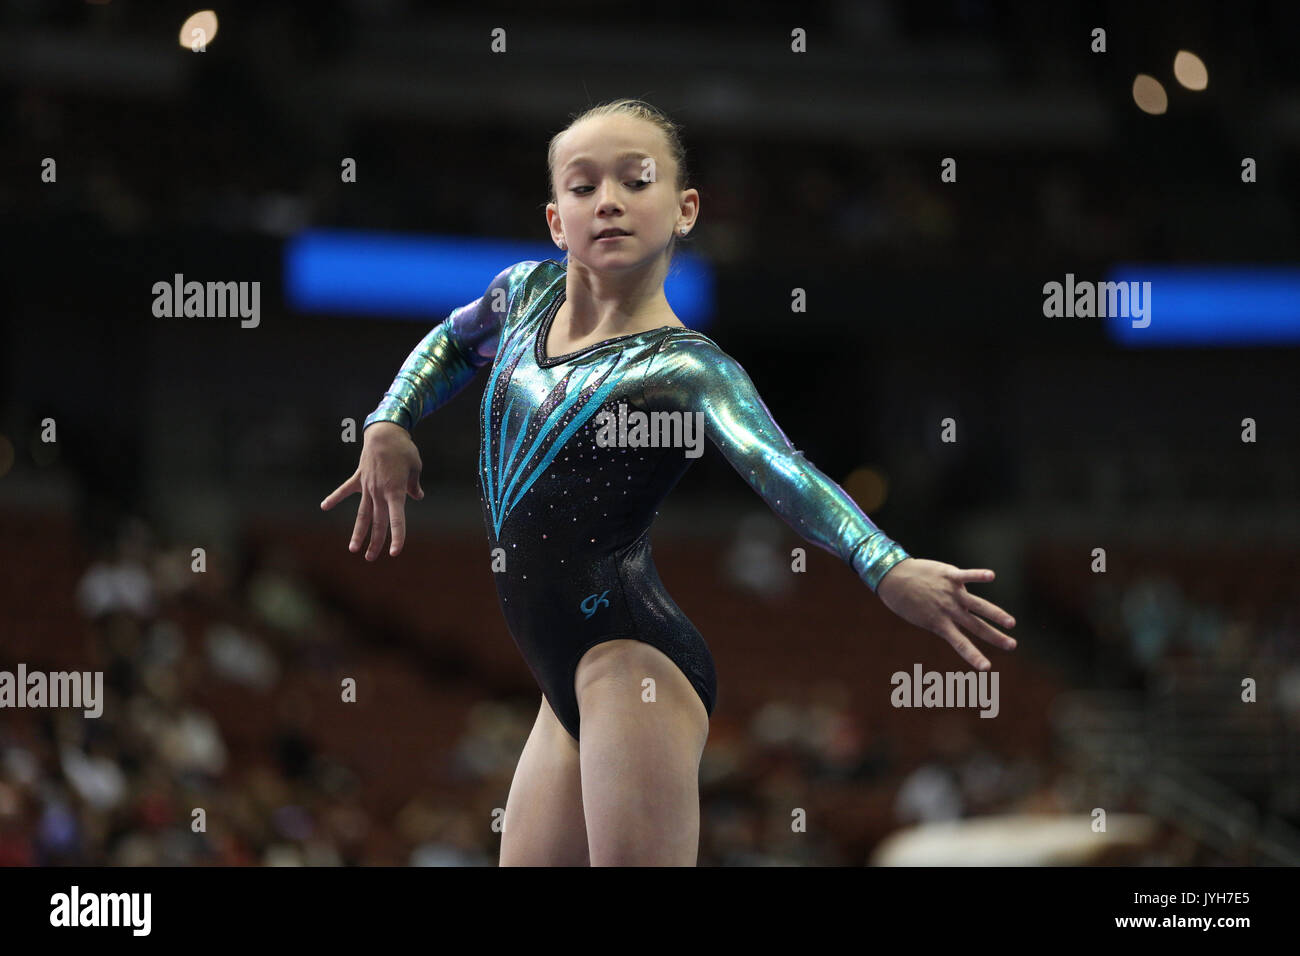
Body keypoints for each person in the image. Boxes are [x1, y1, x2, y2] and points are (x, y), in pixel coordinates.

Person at [321, 98, 1017, 866]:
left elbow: (781, 467)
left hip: (632, 662)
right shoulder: (522, 294)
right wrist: (390, 420)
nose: (608, 200)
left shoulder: (688, 369)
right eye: (583, 187)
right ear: (556, 221)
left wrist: (883, 563)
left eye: (636, 179)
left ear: (685, 209)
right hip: (564, 688)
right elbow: (452, 343)